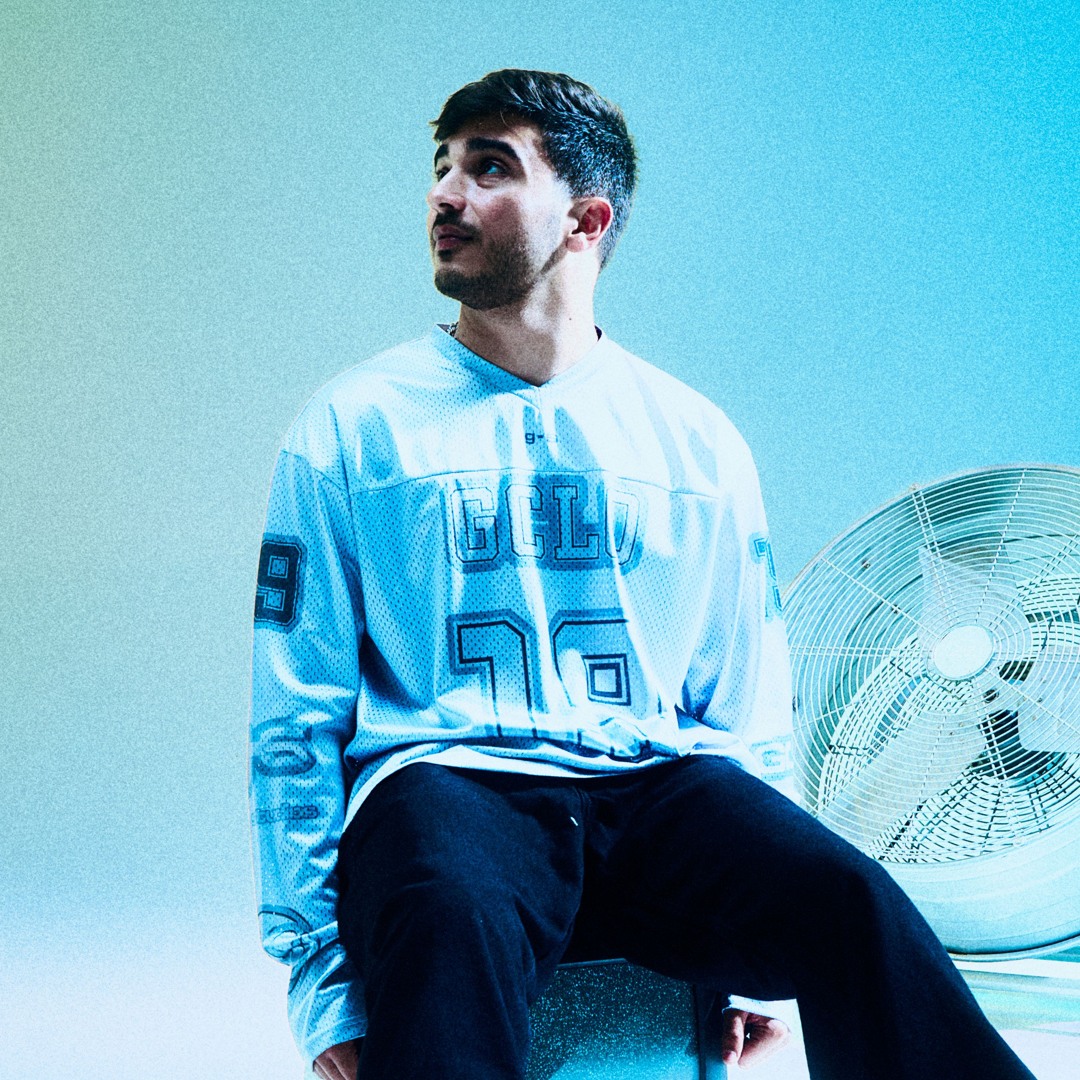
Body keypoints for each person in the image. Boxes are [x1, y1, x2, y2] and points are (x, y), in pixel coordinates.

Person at [250, 69, 1036, 1080]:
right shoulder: (351, 427)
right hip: (450, 788)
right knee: (447, 911)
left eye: (490, 168)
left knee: (854, 902)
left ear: (587, 219)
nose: (446, 195)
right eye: (442, 167)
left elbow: (746, 702)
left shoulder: (694, 439)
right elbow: (295, 714)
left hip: (656, 789)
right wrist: (321, 986)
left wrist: (750, 974)